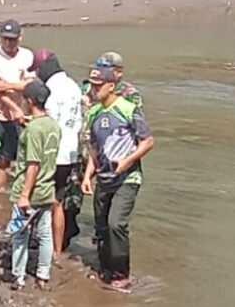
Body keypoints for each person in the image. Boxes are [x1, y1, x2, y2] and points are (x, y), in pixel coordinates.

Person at [80, 66, 155, 292]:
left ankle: (122, 275)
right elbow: (95, 149)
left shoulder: (128, 109)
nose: (93, 91)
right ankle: (105, 270)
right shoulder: (93, 113)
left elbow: (148, 141)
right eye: (91, 86)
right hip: (103, 177)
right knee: (101, 226)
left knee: (116, 224)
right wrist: (87, 176)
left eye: (98, 86)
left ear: (111, 86)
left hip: (127, 177)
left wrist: (127, 161)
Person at [8, 81, 60, 290]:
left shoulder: (33, 130)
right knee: (45, 234)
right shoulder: (53, 125)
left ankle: (18, 277)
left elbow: (33, 164)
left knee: (21, 234)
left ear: (29, 101)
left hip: (30, 190)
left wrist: (24, 195)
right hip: (47, 187)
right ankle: (43, 275)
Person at [37, 51, 82, 263]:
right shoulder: (73, 85)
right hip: (70, 150)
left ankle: (46, 245)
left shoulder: (51, 89)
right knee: (59, 201)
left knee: (45, 200)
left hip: (53, 152)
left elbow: (48, 123)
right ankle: (57, 249)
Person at [0, 20, 34, 192]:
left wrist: (8, 85)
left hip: (16, 116)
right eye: (5, 39)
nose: (8, 43)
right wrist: (15, 107)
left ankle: (1, 192)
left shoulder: (27, 55)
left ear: (20, 38)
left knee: (6, 159)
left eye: (12, 39)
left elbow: (30, 84)